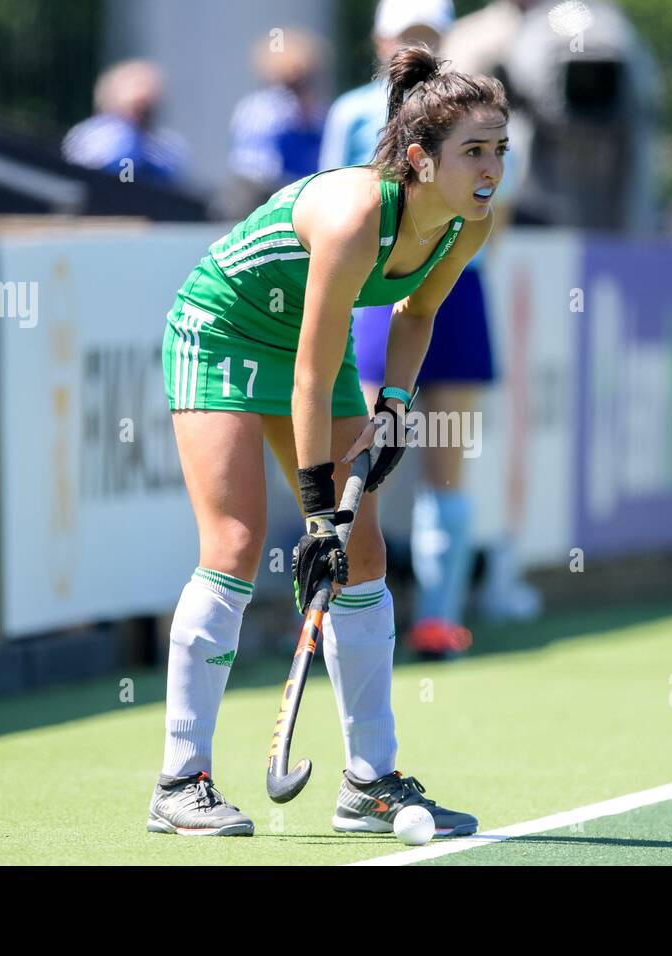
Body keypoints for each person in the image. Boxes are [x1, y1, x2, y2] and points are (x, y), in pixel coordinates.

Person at [148, 45, 508, 837]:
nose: (491, 169)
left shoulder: (467, 225)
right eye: (474, 151)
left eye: (499, 149)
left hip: (315, 352)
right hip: (223, 331)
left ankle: (370, 782)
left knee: (365, 555)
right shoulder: (354, 216)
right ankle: (181, 780)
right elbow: (309, 379)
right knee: (236, 544)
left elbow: (416, 314)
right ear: (421, 159)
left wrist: (397, 403)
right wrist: (317, 517)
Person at [319, 0, 496, 659]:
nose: (416, 42)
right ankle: (347, 612)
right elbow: (332, 195)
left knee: (446, 462)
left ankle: (439, 618)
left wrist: (449, 254)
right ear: (379, 39)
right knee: (363, 455)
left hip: (457, 288)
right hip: (378, 289)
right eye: (405, 33)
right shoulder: (350, 112)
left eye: (428, 32)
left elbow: (492, 208)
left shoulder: (477, 107)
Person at [220, 30, 329, 220]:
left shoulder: (316, 114)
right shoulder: (263, 110)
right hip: (261, 200)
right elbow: (258, 170)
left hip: (298, 197)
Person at [62, 60, 188, 185]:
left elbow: (172, 183)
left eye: (146, 107)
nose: (144, 99)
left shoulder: (167, 146)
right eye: (136, 106)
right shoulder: (90, 136)